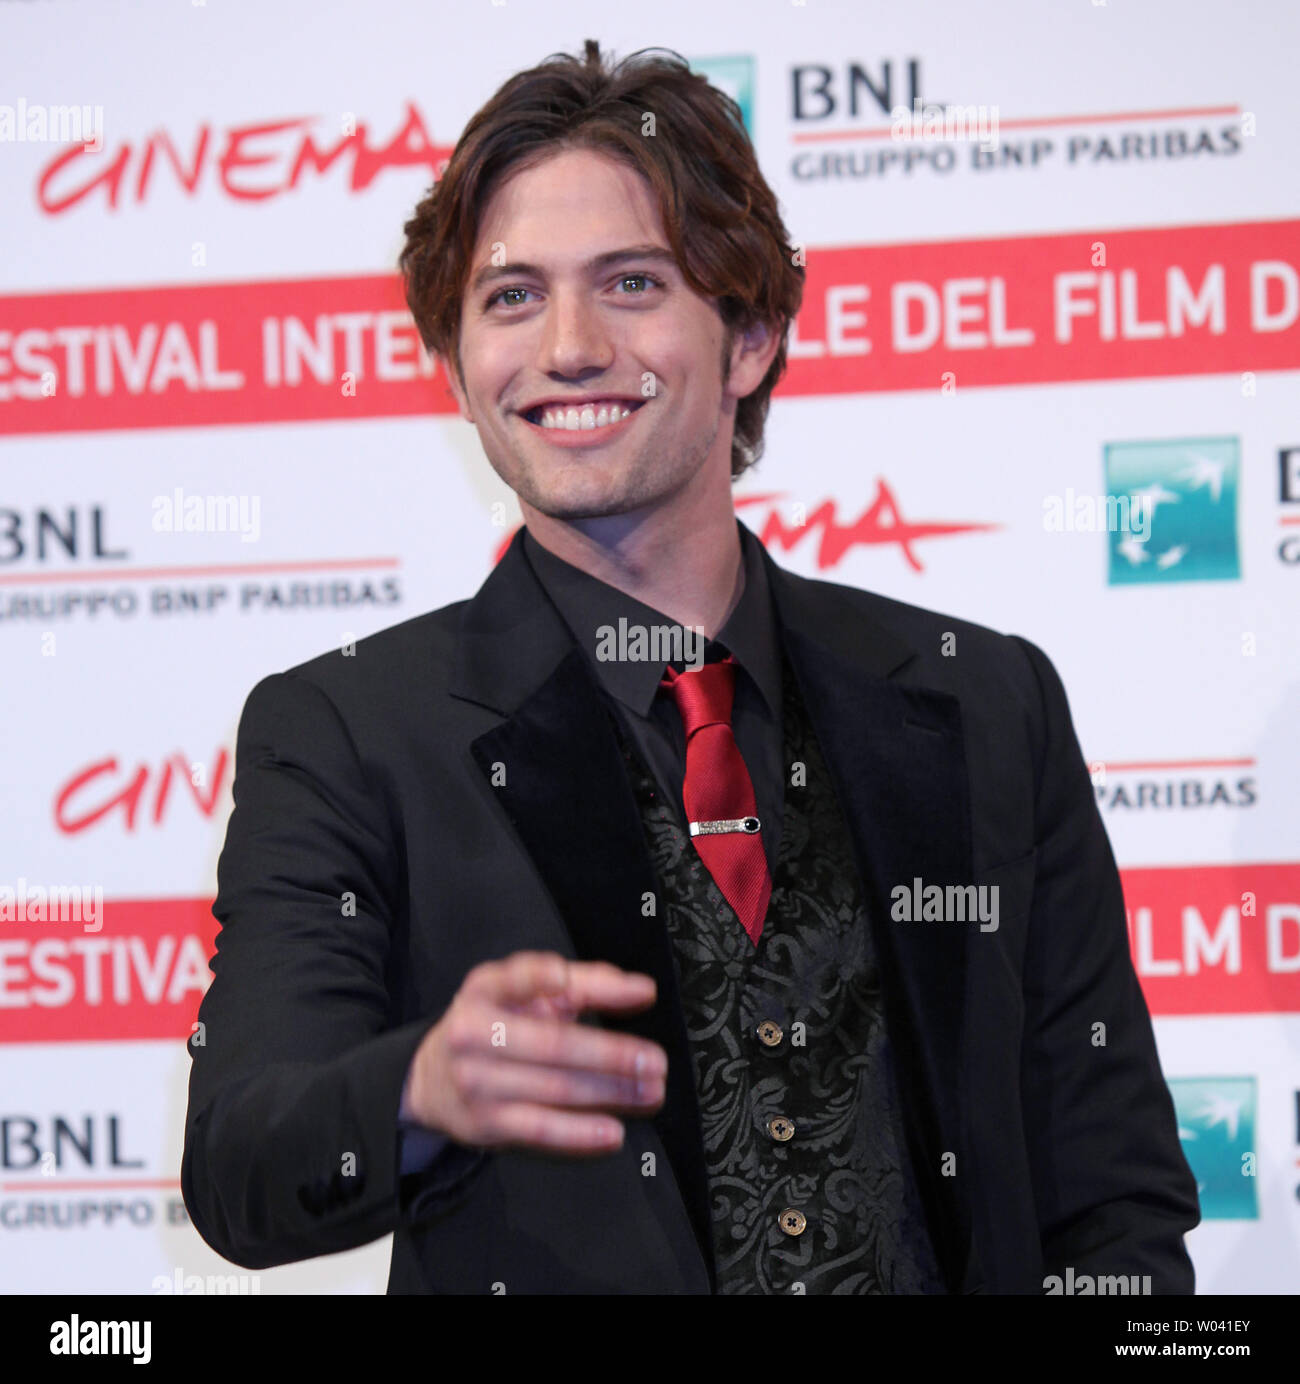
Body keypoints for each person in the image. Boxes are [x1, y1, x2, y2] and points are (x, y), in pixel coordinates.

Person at [181, 40, 1199, 1294]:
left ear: (754, 335)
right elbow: (239, 1163)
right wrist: (420, 1086)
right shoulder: (348, 730)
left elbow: (1111, 1198)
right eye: (510, 297)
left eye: (630, 283)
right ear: (454, 370)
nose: (566, 346)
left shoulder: (984, 700)